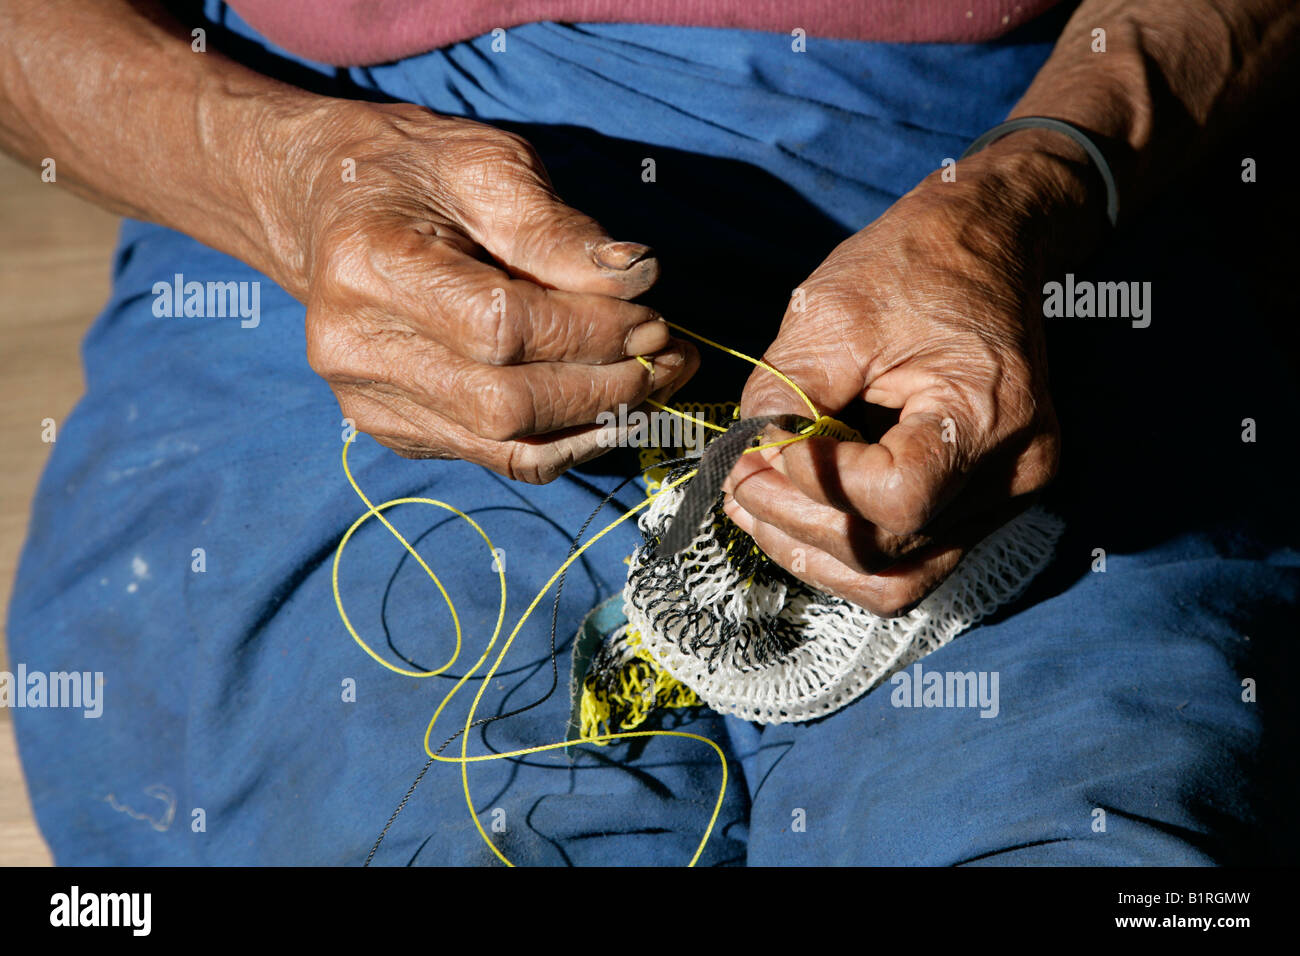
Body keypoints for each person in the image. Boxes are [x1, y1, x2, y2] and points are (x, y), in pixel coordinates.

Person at [3, 0, 1297, 865]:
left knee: (1109, 820)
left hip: (1025, 176)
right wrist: (286, 185)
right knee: (351, 813)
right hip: (321, 179)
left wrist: (1038, 186)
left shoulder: (1036, 196)